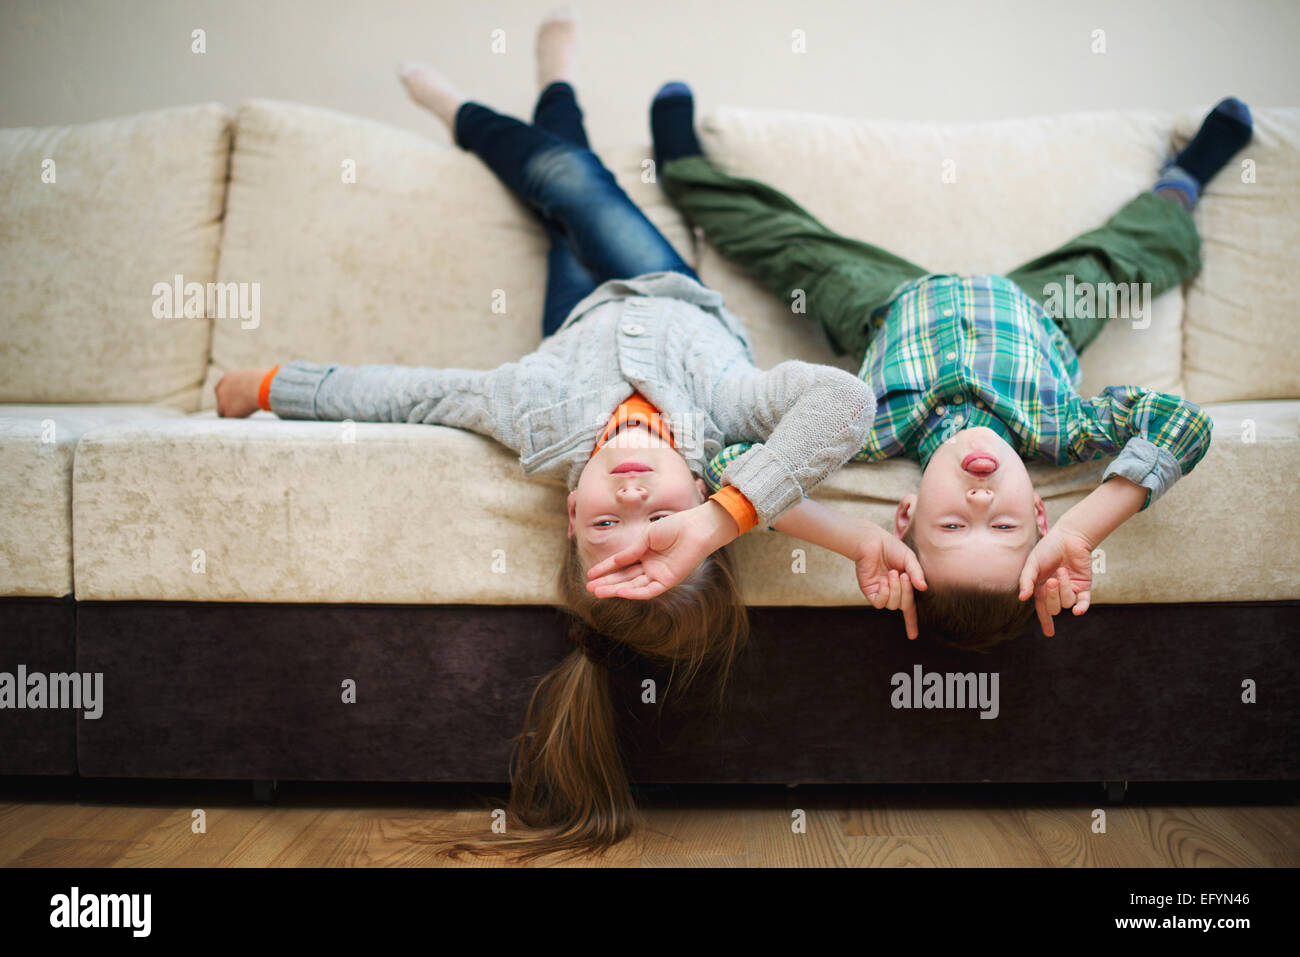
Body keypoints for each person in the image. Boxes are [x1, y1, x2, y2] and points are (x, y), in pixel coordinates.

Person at [214, 10, 921, 862]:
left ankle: (522, 99)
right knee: (566, 177)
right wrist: (719, 522)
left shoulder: (530, 417)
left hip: (572, 321)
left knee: (560, 190)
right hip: (667, 287)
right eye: (662, 520)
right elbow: (845, 402)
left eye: (607, 525)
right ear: (706, 493)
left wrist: (270, 384)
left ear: (570, 512)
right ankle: (505, 101)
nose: (633, 497)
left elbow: (408, 395)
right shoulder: (726, 419)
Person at [646, 84, 1251, 649]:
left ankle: (685, 172)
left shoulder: (867, 433)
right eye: (1007, 526)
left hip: (887, 303)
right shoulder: (1063, 429)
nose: (981, 500)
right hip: (1041, 309)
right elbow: (1182, 422)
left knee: (788, 246)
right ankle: (1181, 185)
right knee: (1121, 258)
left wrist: (853, 538)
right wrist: (1082, 532)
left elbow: (728, 461)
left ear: (906, 513)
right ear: (1040, 512)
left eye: (954, 527)